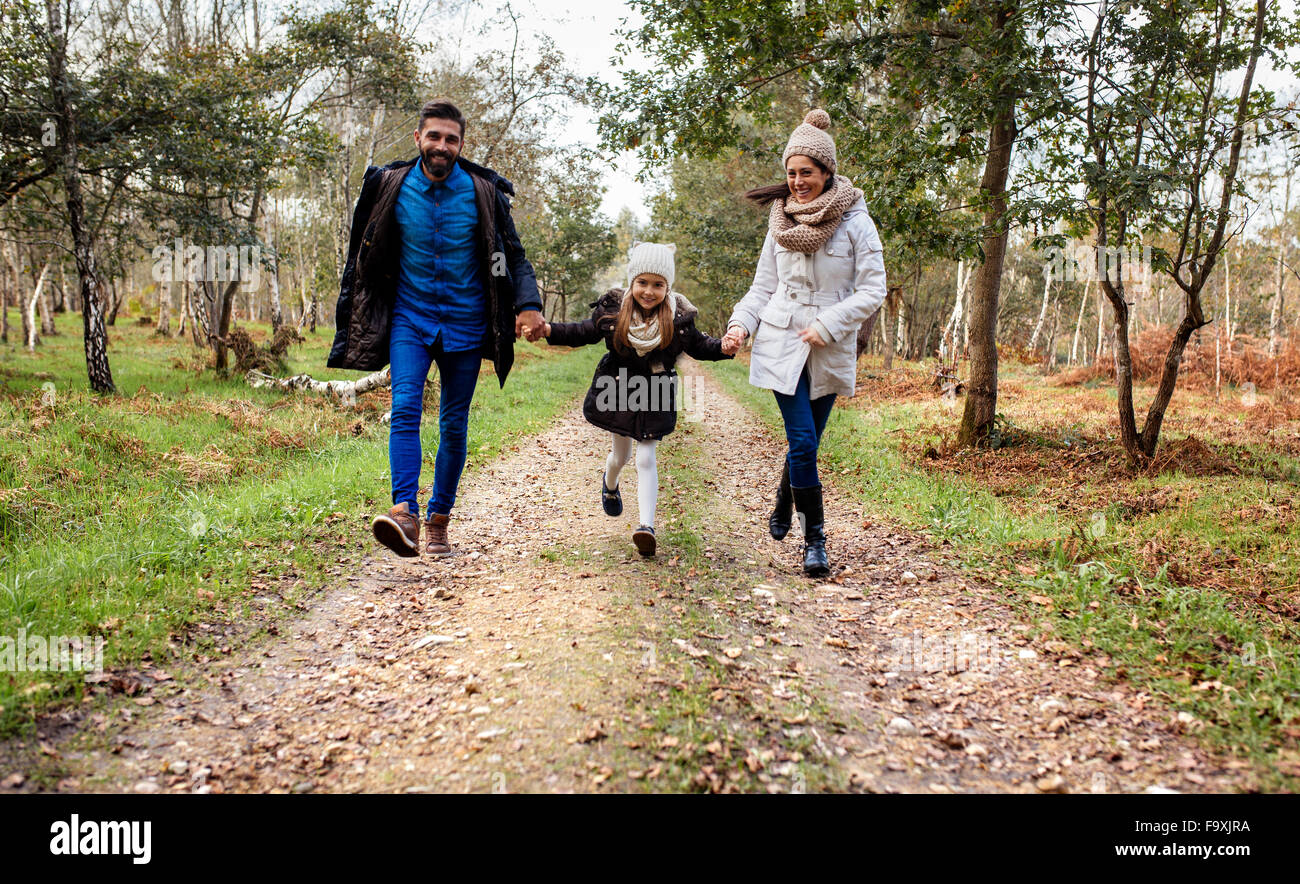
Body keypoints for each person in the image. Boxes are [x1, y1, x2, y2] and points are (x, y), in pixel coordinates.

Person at [327, 98, 547, 558]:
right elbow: (362, 250)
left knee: (453, 422)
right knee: (405, 407)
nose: (441, 146)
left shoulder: (483, 191)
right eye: (434, 136)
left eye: (451, 139)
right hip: (411, 315)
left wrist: (527, 303)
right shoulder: (391, 184)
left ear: (461, 144)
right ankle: (404, 510)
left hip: (467, 323)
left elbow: (511, 254)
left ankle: (439, 519)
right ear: (418, 140)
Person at [721, 109, 887, 578]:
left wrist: (829, 324)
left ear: (827, 172)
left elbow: (873, 289)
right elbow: (762, 288)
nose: (797, 182)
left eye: (806, 173)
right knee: (802, 440)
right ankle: (816, 539)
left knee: (806, 446)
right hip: (781, 341)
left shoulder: (857, 223)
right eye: (791, 173)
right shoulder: (779, 226)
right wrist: (740, 326)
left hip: (829, 347)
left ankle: (784, 492)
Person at [543, 242, 738, 557]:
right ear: (632, 282)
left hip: (656, 388)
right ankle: (609, 484)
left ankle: (646, 527)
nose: (649, 291)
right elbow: (581, 332)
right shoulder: (613, 312)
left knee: (646, 457)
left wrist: (724, 347)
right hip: (619, 386)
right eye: (643, 283)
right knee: (620, 457)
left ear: (667, 286)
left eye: (658, 284)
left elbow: (701, 346)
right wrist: (548, 329)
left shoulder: (678, 319)